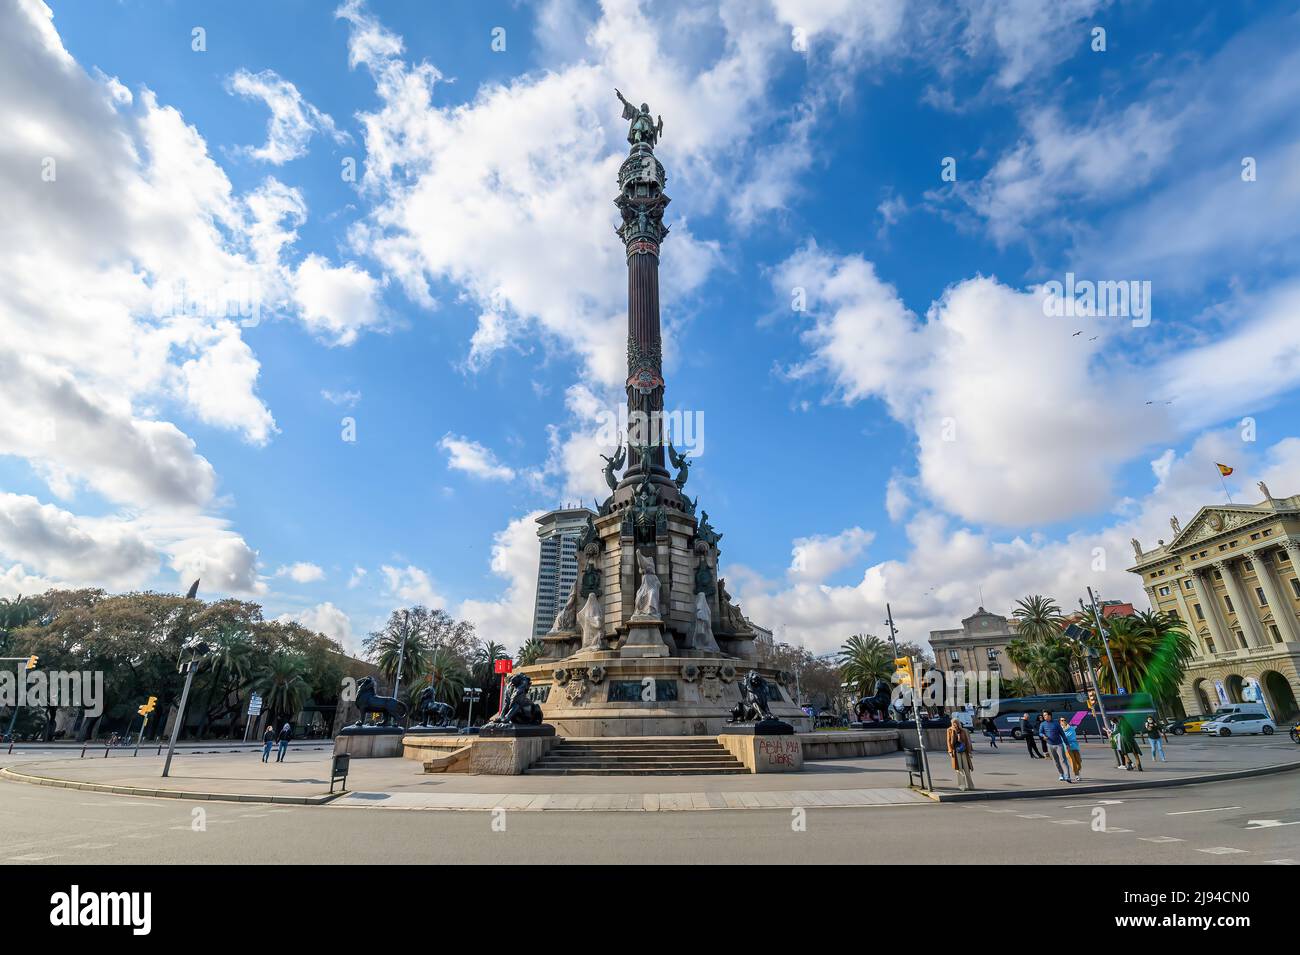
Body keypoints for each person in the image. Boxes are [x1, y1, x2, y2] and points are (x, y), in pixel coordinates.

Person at [1040, 711, 1073, 782]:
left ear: (1049, 715)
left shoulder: (1056, 723)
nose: (1044, 716)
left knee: (1063, 760)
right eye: (1043, 715)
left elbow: (1062, 734)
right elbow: (1040, 732)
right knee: (1056, 761)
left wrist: (1067, 744)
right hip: (1050, 745)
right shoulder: (1043, 724)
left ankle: (1068, 776)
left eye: (1045, 715)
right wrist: (1043, 736)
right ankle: (1061, 774)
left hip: (1059, 745)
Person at [947, 715, 975, 791]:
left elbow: (968, 741)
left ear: (959, 723)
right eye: (953, 723)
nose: (955, 725)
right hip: (955, 752)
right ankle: (962, 786)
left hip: (964, 751)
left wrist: (969, 752)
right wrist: (950, 751)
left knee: (967, 769)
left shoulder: (964, 730)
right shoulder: (949, 730)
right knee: (959, 769)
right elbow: (949, 741)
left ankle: (970, 785)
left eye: (956, 723)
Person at [1059, 716, 1082, 782]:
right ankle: (1077, 775)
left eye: (1064, 720)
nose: (1063, 721)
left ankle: (1077, 770)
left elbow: (1075, 729)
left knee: (1079, 761)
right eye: (1062, 720)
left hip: (1075, 746)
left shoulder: (1072, 728)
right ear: (1060, 722)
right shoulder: (1060, 730)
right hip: (1067, 747)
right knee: (1072, 761)